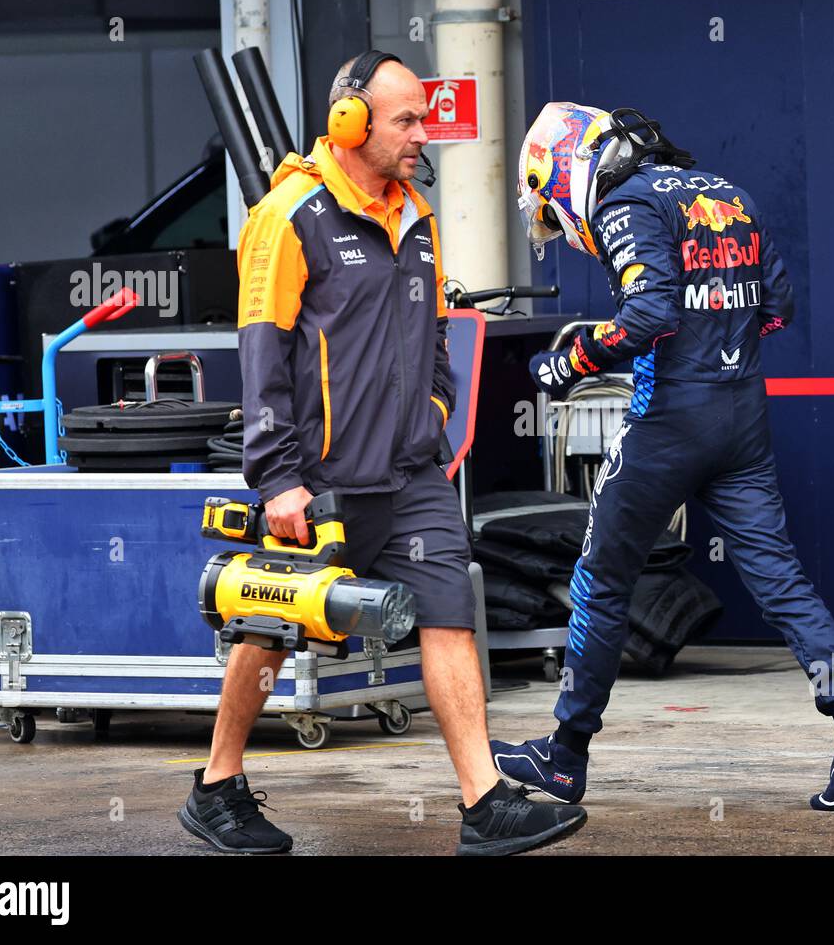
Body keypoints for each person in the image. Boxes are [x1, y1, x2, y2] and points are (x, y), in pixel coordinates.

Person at [177, 54, 585, 856]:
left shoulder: (417, 217)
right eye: (407, 120)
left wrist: (432, 417)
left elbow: (434, 342)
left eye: (425, 119)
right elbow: (259, 355)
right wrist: (280, 477)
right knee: (268, 633)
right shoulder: (289, 215)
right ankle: (217, 784)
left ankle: (484, 800)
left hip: (412, 478)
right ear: (350, 122)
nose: (422, 136)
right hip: (319, 483)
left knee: (448, 614)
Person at [491, 102, 834, 812]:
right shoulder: (724, 191)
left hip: (670, 421)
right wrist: (720, 336)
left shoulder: (623, 206)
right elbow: (780, 306)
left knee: (600, 580)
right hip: (743, 415)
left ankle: (565, 756)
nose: (560, 222)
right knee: (782, 580)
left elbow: (650, 315)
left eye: (554, 208)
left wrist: (568, 367)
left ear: (572, 170)